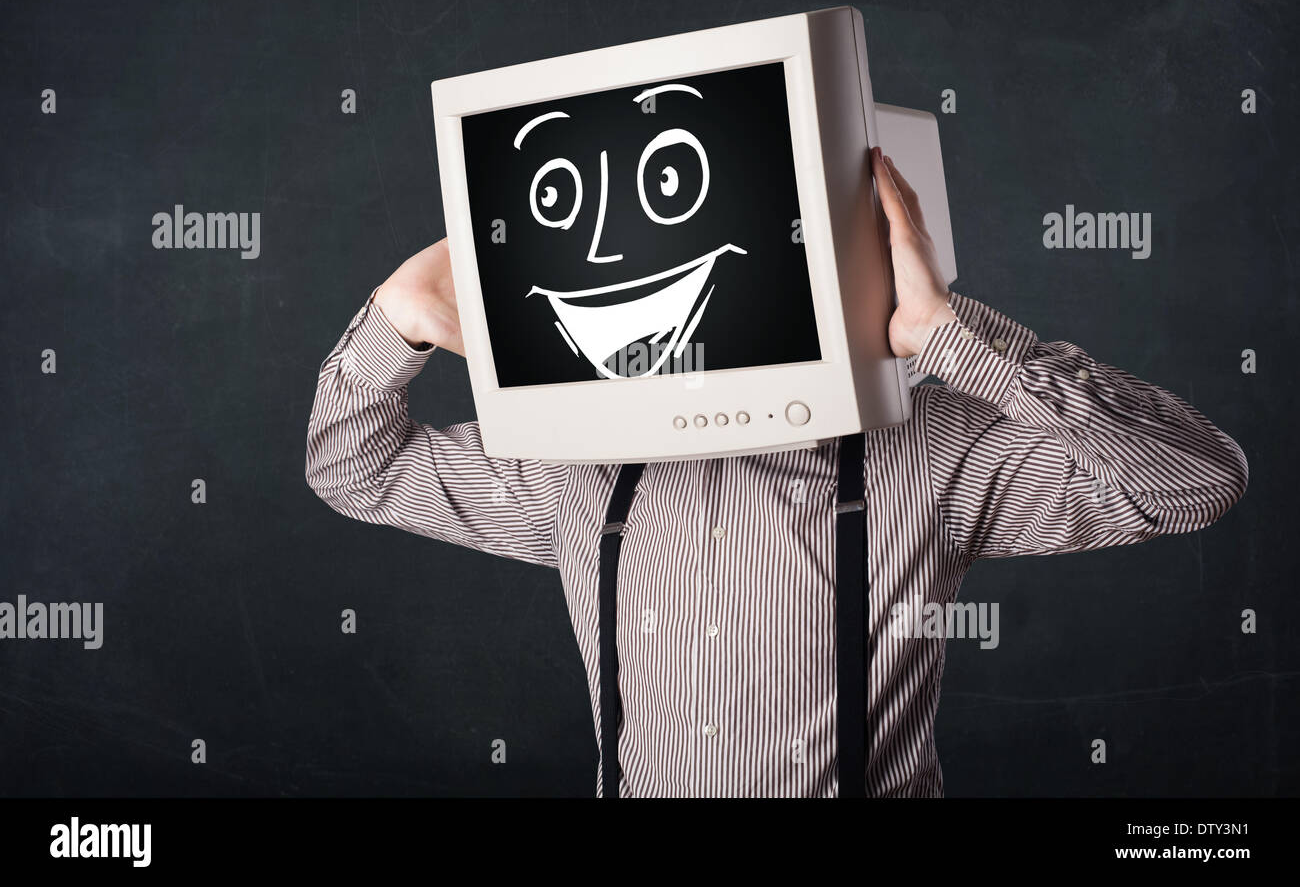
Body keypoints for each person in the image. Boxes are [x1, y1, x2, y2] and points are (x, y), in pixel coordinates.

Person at [305, 147, 1248, 796]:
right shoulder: (582, 458)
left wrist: (951, 338)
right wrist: (401, 316)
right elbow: (352, 468)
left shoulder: (925, 449)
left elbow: (1194, 481)